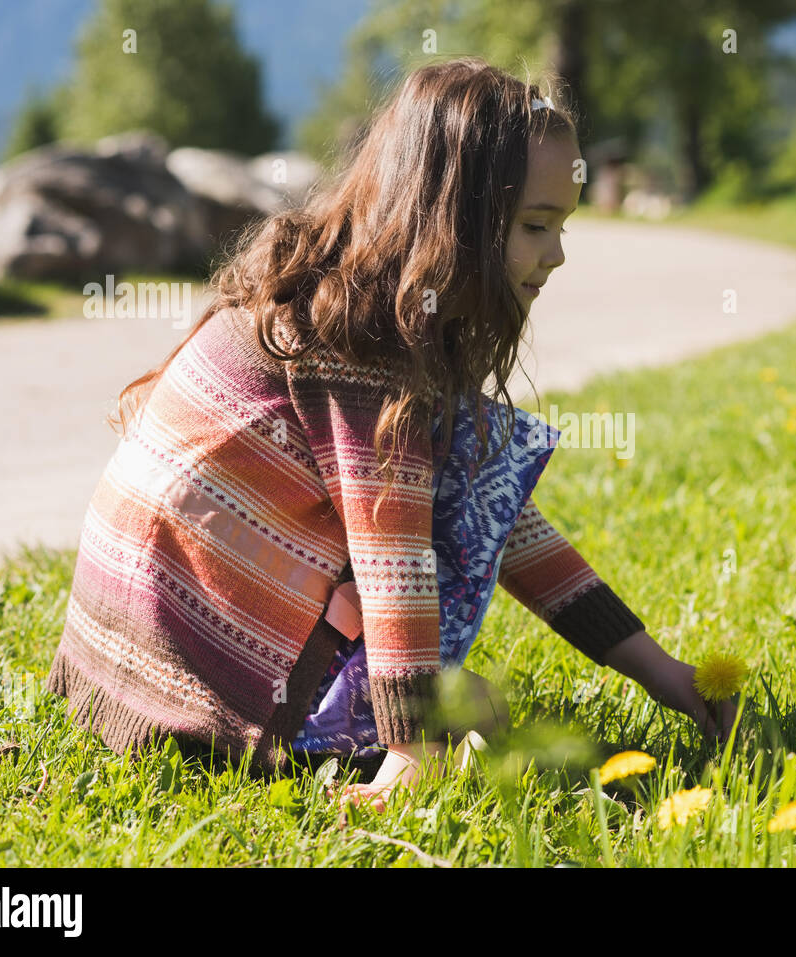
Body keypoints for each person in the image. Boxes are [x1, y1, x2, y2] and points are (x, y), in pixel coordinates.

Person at [43, 57, 737, 815]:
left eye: (562, 225)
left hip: (129, 656)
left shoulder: (339, 293)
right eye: (537, 225)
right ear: (456, 220)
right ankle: (364, 728)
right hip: (200, 691)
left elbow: (497, 520)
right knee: (475, 702)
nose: (557, 253)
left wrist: (655, 667)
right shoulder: (363, 353)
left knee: (472, 483)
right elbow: (392, 552)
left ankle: (379, 707)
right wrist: (412, 749)